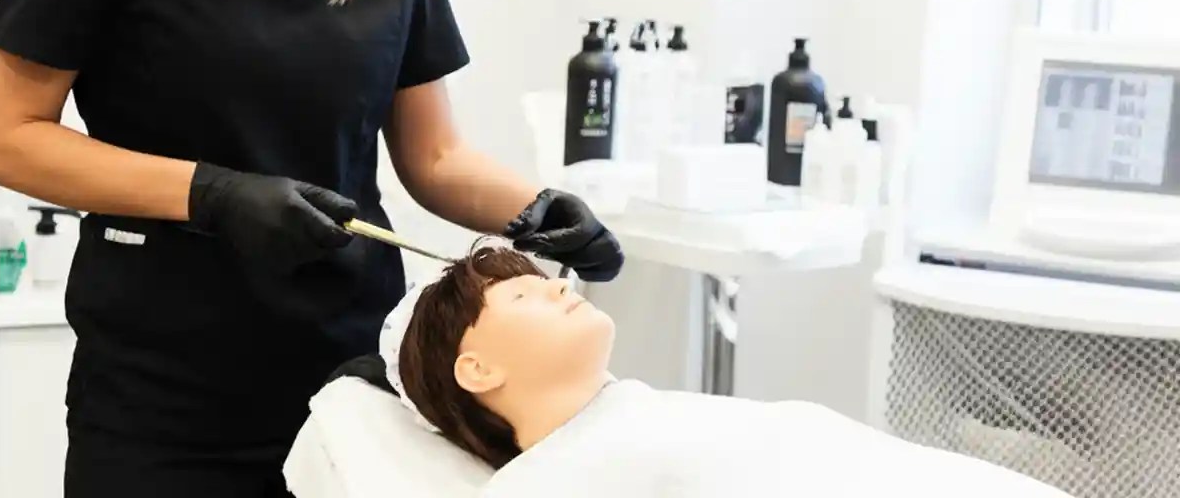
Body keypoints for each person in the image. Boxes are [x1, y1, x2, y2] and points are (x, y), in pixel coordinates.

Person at [0, 0, 624, 495]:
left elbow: (435, 157)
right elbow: (9, 138)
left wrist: (536, 208)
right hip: (162, 393)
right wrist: (212, 195)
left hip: (349, 386)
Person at [385, 243, 1075, 498]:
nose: (563, 287)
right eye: (523, 295)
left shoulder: (653, 412)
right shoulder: (543, 483)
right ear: (475, 369)